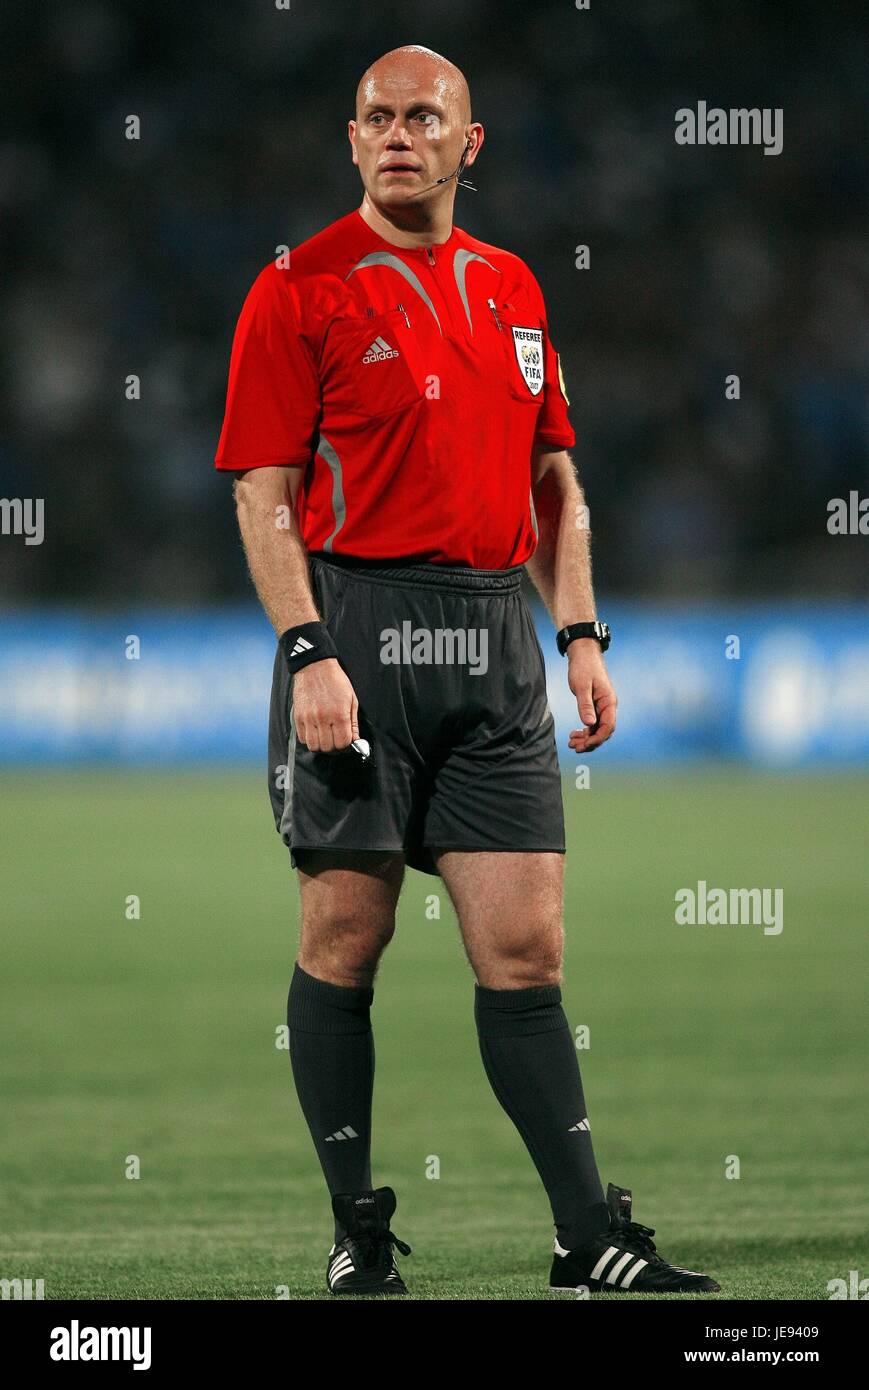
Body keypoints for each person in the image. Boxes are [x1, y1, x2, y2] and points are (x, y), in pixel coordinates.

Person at [215, 44, 719, 1297]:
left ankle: (583, 1234)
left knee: (526, 949)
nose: (398, 134)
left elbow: (553, 479)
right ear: (350, 140)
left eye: (422, 117)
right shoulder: (296, 288)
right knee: (346, 934)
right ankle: (357, 1230)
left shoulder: (512, 287)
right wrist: (307, 649)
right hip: (357, 632)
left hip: (495, 638)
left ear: (466, 143)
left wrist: (581, 632)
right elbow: (262, 494)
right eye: (376, 118)